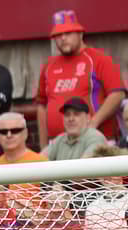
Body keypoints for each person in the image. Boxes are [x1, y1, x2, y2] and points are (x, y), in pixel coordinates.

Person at [34, 10, 126, 145]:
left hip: (95, 140)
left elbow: (118, 94)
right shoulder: (48, 66)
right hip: (58, 145)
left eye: (68, 33)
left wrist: (93, 123)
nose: (63, 38)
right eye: (58, 35)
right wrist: (43, 146)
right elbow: (41, 106)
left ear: (80, 33)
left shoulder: (99, 59)